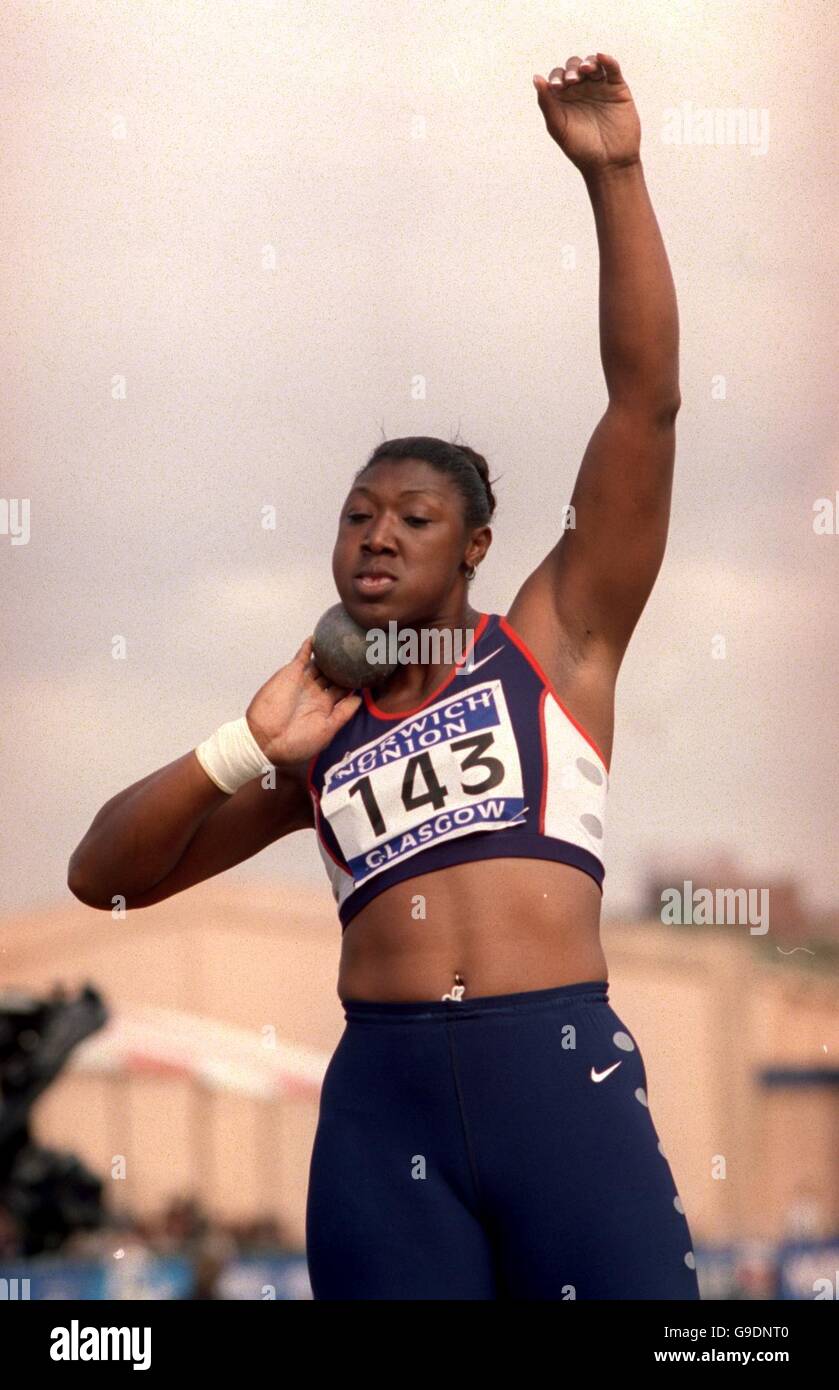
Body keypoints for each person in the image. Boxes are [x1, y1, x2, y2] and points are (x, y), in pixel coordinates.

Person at [68, 51, 699, 1300]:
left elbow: (645, 407)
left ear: (472, 547)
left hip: (556, 1077)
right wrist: (242, 748)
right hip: (383, 1113)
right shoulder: (318, 737)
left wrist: (615, 176)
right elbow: (104, 880)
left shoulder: (551, 645)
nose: (376, 535)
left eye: (412, 517)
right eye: (358, 515)